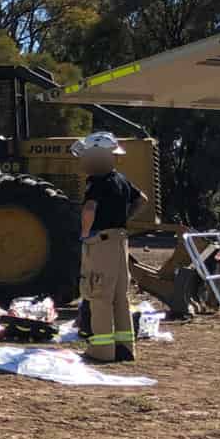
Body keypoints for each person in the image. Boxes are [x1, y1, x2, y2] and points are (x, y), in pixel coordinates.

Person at [75, 131, 143, 364]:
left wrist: (85, 234)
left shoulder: (97, 181)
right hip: (120, 240)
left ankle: (102, 350)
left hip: (102, 242)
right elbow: (141, 199)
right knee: (119, 296)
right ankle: (125, 348)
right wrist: (124, 219)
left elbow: (89, 209)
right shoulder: (121, 179)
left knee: (99, 294)